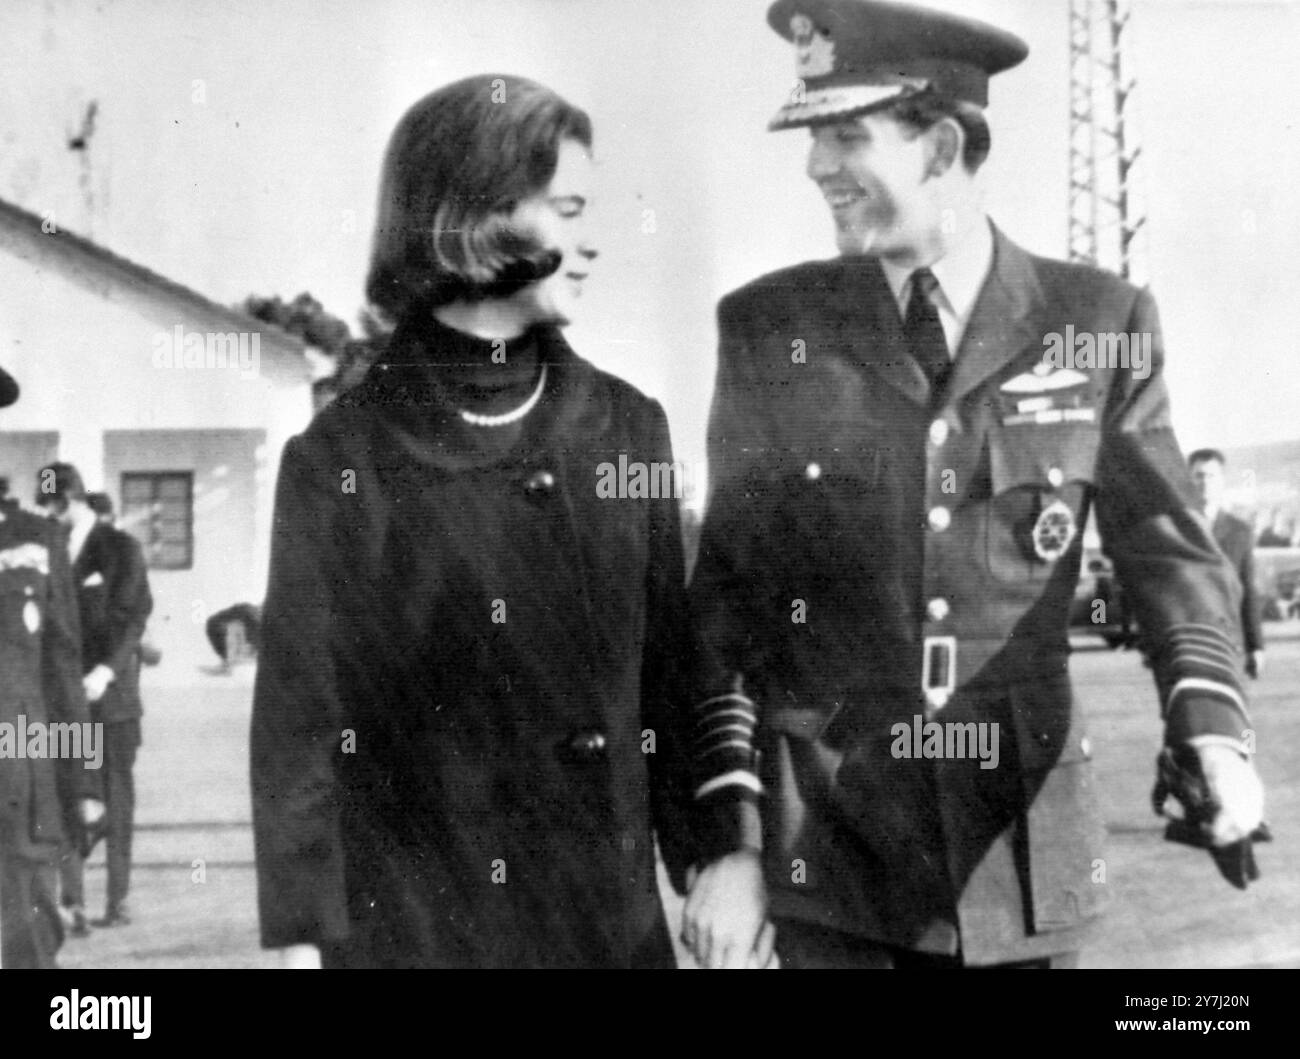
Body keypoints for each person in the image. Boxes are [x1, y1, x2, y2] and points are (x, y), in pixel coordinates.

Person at [683, 0, 1265, 969]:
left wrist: (1211, 735)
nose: (815, 168)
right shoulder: (768, 333)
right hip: (834, 870)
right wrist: (730, 839)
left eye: (845, 136)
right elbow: (722, 614)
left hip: (1022, 858)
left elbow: (1166, 555)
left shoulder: (1095, 321)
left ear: (942, 143)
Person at [250, 74, 696, 969]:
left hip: (609, 941)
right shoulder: (341, 460)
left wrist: (720, 854)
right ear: (477, 215)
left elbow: (676, 681)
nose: (594, 243)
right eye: (568, 210)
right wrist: (302, 945)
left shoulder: (629, 427)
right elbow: (300, 723)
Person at [0, 367, 103, 967]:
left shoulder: (35, 539)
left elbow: (62, 675)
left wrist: (84, 784)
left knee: (30, 950)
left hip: (19, 796)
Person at [36, 462, 152, 930]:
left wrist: (104, 672)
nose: (46, 514)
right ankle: (73, 902)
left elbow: (133, 616)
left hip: (112, 699)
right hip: (62, 701)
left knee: (114, 801)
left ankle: (117, 899)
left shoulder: (121, 547)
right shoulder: (46, 549)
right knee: (67, 795)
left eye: (49, 505)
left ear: (67, 500)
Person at [1188, 449, 1264, 678]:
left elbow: (1248, 590)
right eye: (1199, 475)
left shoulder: (1240, 532)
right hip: (1188, 641)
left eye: (1211, 476)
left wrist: (1256, 646)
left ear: (1222, 481)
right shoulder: (1174, 527)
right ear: (1188, 479)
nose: (1205, 483)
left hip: (1229, 641)